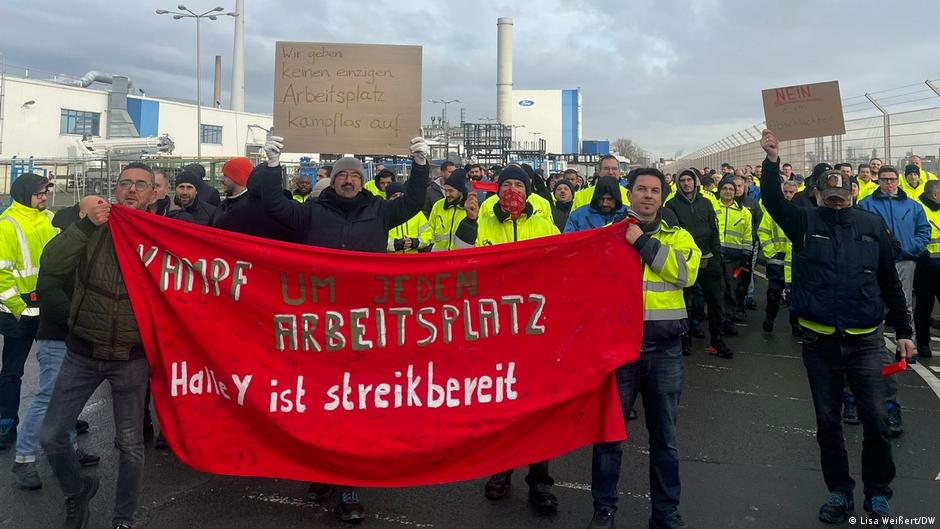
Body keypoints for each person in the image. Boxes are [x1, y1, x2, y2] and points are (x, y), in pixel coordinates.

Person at [256, 135, 429, 522]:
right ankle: (322, 469)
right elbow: (273, 204)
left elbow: (416, 202)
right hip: (320, 327)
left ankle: (349, 482)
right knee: (321, 402)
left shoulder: (382, 212)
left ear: (362, 180)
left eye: (354, 174)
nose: (348, 179)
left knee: (355, 406)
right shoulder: (312, 212)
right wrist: (271, 166)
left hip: (365, 325)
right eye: (342, 175)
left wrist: (419, 165)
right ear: (332, 181)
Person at [760, 129, 913, 526]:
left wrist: (907, 332)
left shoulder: (871, 225)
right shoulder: (804, 222)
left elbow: (890, 283)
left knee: (877, 422)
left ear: (853, 195)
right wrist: (772, 159)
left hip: (866, 343)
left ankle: (878, 494)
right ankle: (839, 492)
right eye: (828, 196)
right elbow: (774, 200)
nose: (835, 201)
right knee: (829, 424)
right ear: (816, 196)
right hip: (819, 343)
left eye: (841, 196)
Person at [39, 163, 158, 529]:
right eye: (125, 184)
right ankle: (78, 490)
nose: (132, 190)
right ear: (115, 189)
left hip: (132, 359)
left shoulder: (163, 235)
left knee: (131, 446)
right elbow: (52, 263)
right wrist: (86, 225)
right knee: (51, 436)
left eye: (141, 185)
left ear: (154, 193)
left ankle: (123, 517)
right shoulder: (93, 226)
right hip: (83, 352)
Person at [589, 168, 700, 529]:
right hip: (618, 350)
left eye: (654, 190)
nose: (648, 195)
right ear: (629, 194)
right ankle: (603, 509)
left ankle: (665, 511)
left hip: (664, 350)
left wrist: (641, 243)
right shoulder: (607, 236)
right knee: (609, 436)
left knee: (665, 438)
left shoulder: (680, 236)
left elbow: (684, 273)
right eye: (641, 189)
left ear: (662, 196)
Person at [453, 165, 560, 513]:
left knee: (538, 407)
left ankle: (540, 481)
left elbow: (563, 262)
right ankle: (500, 471)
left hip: (534, 329)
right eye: (507, 184)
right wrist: (468, 223)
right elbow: (456, 260)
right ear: (497, 191)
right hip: (495, 328)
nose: (512, 189)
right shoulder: (481, 222)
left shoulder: (544, 224)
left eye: (519, 184)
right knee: (500, 405)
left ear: (528, 192)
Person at [12, 198, 100, 490]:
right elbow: (49, 291)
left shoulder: (82, 243)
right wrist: (81, 319)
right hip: (57, 336)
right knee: (47, 397)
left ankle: (70, 450)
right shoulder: (61, 247)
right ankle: (23, 459)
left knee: (66, 399)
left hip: (71, 335)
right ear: (82, 214)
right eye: (96, 207)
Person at [0, 174, 58, 450]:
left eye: (45, 192)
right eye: (39, 194)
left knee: (56, 369)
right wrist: (19, 309)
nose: (44, 198)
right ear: (25, 195)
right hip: (20, 313)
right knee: (12, 371)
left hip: (49, 307)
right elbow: (1, 275)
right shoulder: (7, 225)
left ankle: (61, 421)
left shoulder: (49, 219)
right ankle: (6, 422)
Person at [665, 168, 732, 358]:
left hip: (709, 259)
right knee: (685, 303)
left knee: (715, 302)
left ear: (695, 182)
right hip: (686, 262)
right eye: (683, 180)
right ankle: (685, 339)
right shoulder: (671, 205)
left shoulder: (706, 203)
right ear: (678, 183)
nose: (686, 183)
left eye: (689, 180)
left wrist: (717, 255)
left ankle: (717, 340)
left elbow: (714, 230)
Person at [758, 180, 797, 333]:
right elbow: (763, 231)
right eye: (785, 192)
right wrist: (771, 252)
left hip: (794, 260)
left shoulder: (801, 211)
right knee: (773, 294)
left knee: (795, 296)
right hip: (777, 260)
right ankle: (769, 319)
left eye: (791, 192)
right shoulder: (772, 212)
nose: (788, 195)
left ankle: (795, 324)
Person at [715, 175, 752, 328]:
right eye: (724, 188)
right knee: (718, 288)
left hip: (734, 257)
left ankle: (728, 319)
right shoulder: (712, 208)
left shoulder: (744, 213)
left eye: (731, 189)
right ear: (719, 190)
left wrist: (746, 255)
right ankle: (717, 319)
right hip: (716, 255)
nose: (728, 191)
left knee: (731, 288)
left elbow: (747, 236)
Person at [913, 180, 940, 359]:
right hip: (925, 268)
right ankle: (923, 343)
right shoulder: (917, 209)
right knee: (924, 307)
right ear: (935, 195)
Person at [428, 169, 469, 252]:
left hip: (460, 258)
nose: (447, 194)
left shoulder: (469, 208)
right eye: (446, 190)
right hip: (439, 258)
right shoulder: (438, 206)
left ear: (460, 191)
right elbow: (429, 229)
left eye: (450, 191)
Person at [385, 182, 432, 253]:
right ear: (388, 198)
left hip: (412, 260)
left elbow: (428, 234)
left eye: (401, 195)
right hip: (391, 261)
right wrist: (394, 245)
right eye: (394, 196)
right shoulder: (383, 214)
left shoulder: (416, 213)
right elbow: (377, 239)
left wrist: (415, 242)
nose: (398, 198)